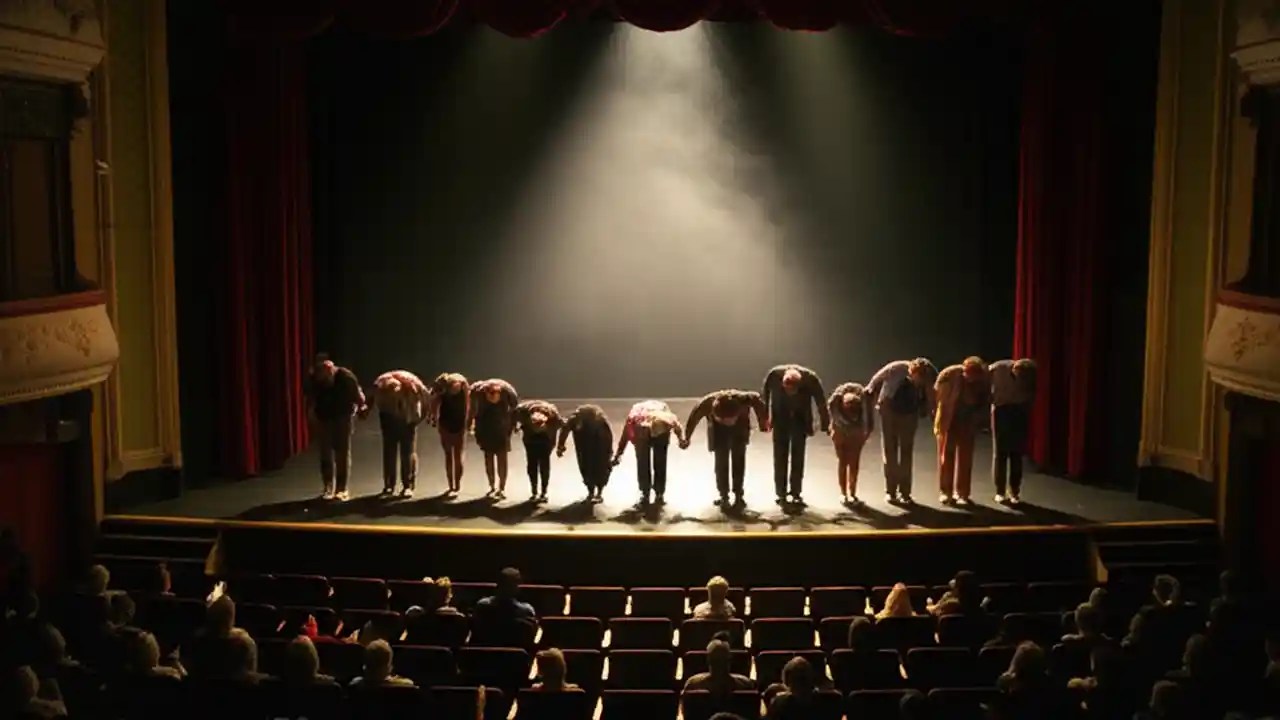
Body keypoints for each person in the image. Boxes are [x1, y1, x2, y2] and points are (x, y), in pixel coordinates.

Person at [865, 358, 936, 505]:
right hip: (888, 410)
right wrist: (871, 394)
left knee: (906, 451)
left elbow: (931, 395)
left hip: (910, 413)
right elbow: (875, 380)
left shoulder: (928, 374)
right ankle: (891, 491)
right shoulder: (896, 368)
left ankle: (905, 492)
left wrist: (930, 411)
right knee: (890, 450)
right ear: (911, 371)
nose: (917, 382)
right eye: (916, 377)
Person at [684, 390, 769, 509]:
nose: (728, 423)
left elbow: (758, 403)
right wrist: (687, 437)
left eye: (730, 420)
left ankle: (739, 494)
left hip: (740, 429)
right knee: (721, 463)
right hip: (718, 432)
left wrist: (763, 422)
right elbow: (693, 419)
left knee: (739, 462)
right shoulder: (707, 403)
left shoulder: (745, 399)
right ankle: (723, 495)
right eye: (724, 420)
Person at [761, 365, 830, 507]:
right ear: (782, 384)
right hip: (780, 417)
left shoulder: (811, 379)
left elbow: (821, 401)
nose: (790, 393)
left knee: (798, 456)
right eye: (787, 390)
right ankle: (781, 493)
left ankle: (796, 492)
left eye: (793, 391)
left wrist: (825, 423)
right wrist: (765, 417)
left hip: (800, 419)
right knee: (780, 456)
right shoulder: (774, 376)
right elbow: (765, 394)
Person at [304, 353, 367, 501]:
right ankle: (327, 487)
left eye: (327, 378)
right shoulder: (315, 379)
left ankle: (342, 489)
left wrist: (361, 407)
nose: (325, 381)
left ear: (331, 371)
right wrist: (311, 413)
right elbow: (311, 398)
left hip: (342, 417)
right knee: (325, 453)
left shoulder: (346, 377)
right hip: (324, 417)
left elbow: (358, 396)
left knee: (342, 453)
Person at [933, 356, 990, 505]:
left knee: (965, 459)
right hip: (949, 421)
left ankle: (963, 494)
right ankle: (946, 492)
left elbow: (985, 401)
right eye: (969, 375)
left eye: (974, 377)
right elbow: (937, 393)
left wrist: (980, 421)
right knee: (946, 458)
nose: (971, 379)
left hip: (968, 422)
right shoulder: (950, 374)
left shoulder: (982, 381)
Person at [369, 370, 431, 497]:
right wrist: (366, 409)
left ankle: (408, 486)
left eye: (394, 396)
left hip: (408, 419)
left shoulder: (413, 385)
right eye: (388, 397)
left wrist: (422, 417)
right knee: (389, 452)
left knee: (407, 452)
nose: (392, 398)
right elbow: (370, 399)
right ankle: (389, 485)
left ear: (400, 389)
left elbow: (428, 399)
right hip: (388, 420)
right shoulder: (379, 386)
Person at [613, 400, 686, 507]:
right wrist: (618, 454)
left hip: (658, 428)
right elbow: (625, 435)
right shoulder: (635, 419)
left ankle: (657, 493)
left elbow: (677, 427)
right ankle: (647, 492)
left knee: (658, 462)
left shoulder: (667, 421)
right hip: (643, 429)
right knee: (644, 462)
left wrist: (681, 439)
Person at [989, 358, 1037, 504]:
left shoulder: (1030, 376)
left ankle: (1014, 491)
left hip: (1019, 411)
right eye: (1018, 375)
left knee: (1016, 453)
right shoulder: (998, 368)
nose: (1019, 380)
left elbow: (1031, 395)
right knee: (1000, 453)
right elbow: (984, 379)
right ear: (1014, 368)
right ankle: (1000, 491)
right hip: (1001, 409)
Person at [467, 379, 519, 499]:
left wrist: (514, 424)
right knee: (488, 457)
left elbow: (515, 409)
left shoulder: (508, 393)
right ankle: (491, 485)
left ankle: (502, 487)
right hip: (485, 428)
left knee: (502, 458)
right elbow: (472, 411)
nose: (493, 400)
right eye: (490, 397)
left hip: (502, 429)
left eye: (495, 397)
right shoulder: (477, 393)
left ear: (499, 395)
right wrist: (470, 424)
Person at [556, 404, 614, 502]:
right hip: (593, 447)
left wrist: (561, 446)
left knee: (589, 468)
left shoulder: (583, 419)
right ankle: (597, 493)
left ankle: (593, 492)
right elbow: (609, 437)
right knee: (598, 468)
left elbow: (565, 430)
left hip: (591, 447)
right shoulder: (598, 419)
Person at [827, 382, 870, 506]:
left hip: (856, 432)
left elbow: (868, 419)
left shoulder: (863, 402)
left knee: (854, 463)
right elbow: (835, 420)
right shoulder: (834, 404)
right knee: (843, 461)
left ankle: (852, 493)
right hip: (839, 430)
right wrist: (838, 433)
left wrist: (865, 433)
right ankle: (843, 493)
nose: (852, 415)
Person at [427, 372, 470, 495]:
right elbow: (434, 403)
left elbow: (468, 403)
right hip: (447, 424)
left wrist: (468, 419)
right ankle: (453, 485)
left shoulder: (462, 384)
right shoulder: (441, 389)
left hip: (457, 423)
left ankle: (456, 485)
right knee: (451, 455)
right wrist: (433, 418)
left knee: (455, 455)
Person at [514, 400, 564, 503]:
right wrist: (515, 426)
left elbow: (563, 425)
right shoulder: (523, 412)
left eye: (539, 427)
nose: (537, 429)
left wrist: (559, 446)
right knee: (532, 465)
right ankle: (534, 491)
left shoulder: (553, 417)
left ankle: (544, 491)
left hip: (546, 440)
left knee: (544, 466)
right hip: (530, 439)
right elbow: (513, 415)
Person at [682, 637, 753, 698]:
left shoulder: (745, 685)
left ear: (730, 661)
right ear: (708, 661)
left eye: (723, 660)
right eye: (716, 660)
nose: (720, 665)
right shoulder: (693, 685)